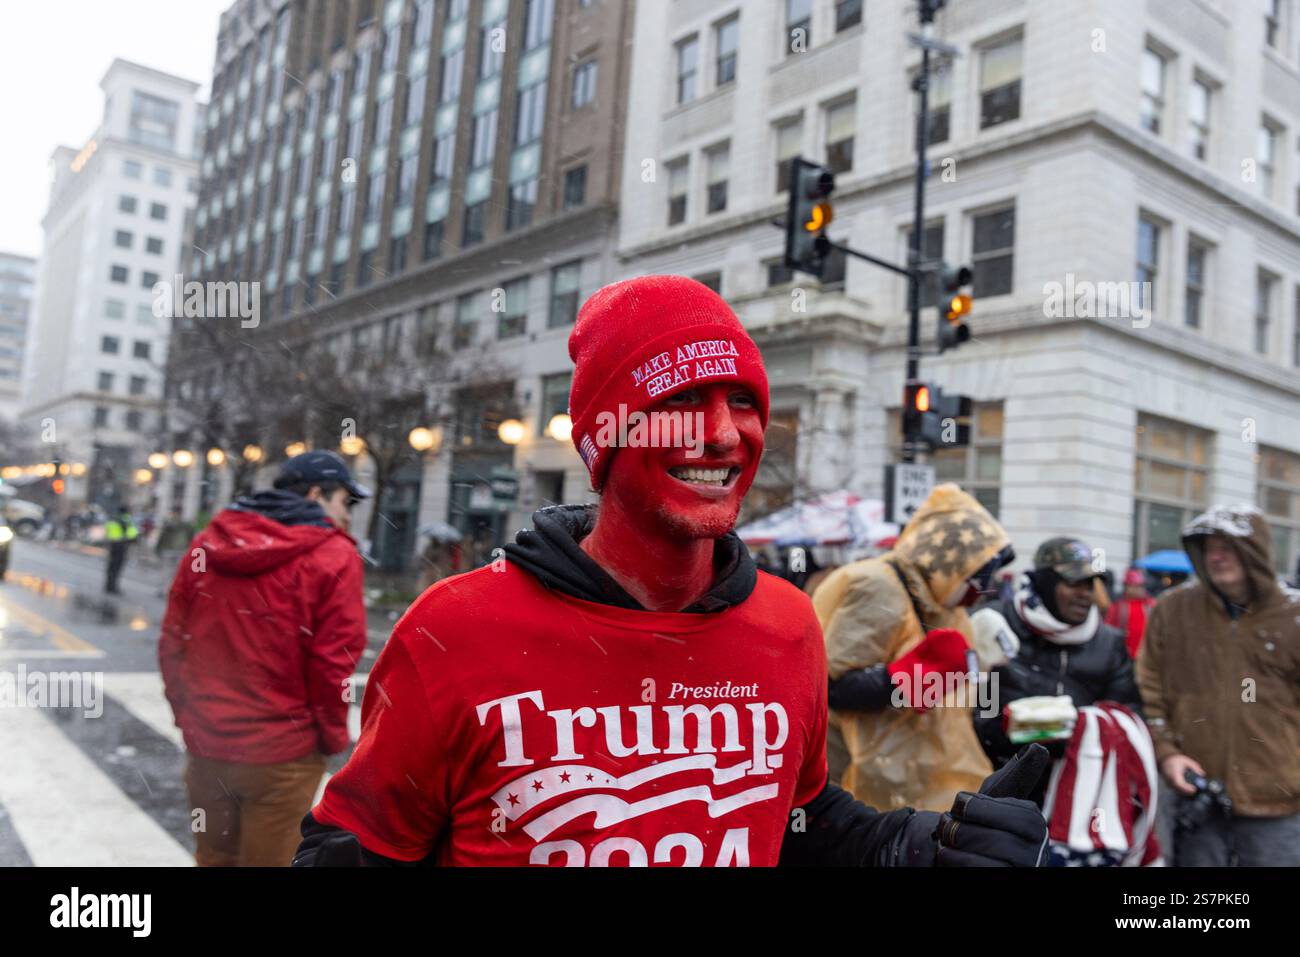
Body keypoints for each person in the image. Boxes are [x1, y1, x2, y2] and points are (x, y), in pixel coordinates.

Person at [294, 275, 1048, 868]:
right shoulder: (453, 629)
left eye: (744, 402)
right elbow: (355, 851)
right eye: (683, 400)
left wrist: (923, 844)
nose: (722, 433)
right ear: (606, 434)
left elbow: (801, 817)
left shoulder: (786, 624)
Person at [158, 450, 370, 866]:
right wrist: (329, 739)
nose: (346, 515)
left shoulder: (208, 543)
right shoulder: (334, 556)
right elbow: (332, 663)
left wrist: (189, 716)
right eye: (345, 501)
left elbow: (172, 643)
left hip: (208, 745)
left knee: (214, 857)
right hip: (282, 754)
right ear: (316, 494)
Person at [811, 484, 1013, 812]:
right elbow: (831, 685)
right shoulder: (877, 585)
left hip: (924, 781)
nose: (978, 592)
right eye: (975, 578)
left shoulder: (945, 604)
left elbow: (956, 702)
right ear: (950, 560)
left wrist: (993, 699)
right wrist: (908, 681)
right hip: (862, 783)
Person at [1137, 505, 1300, 866]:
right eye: (1209, 547)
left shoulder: (1293, 617)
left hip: (1279, 802)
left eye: (1227, 546)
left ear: (1254, 551)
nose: (1216, 556)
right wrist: (1167, 752)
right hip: (1196, 794)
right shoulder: (1173, 611)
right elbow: (1148, 688)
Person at [970, 539, 1143, 825]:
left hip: (1077, 797)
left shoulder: (1109, 643)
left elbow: (1127, 714)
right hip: (998, 789)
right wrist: (1006, 729)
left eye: (1090, 585)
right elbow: (973, 706)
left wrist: (1078, 730)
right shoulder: (996, 623)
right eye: (1073, 583)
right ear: (1044, 583)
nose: (1085, 594)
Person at [1105, 567, 1156, 657]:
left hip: (1145, 656)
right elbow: (1108, 630)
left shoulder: (1151, 605)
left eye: (1142, 586)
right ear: (1127, 587)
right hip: (1123, 655)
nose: (1140, 589)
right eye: (1136, 586)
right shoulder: (1117, 607)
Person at [102, 506, 139, 595]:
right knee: (117, 567)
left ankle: (108, 586)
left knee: (111, 566)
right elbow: (133, 533)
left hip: (112, 545)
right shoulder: (127, 520)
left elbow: (106, 529)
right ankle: (113, 587)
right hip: (122, 545)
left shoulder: (113, 518)